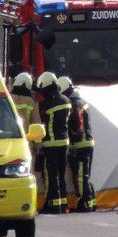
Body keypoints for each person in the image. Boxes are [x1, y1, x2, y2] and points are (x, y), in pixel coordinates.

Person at [58, 75, 97, 212]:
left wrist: (72, 137)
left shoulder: (74, 104)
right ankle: (90, 202)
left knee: (81, 176)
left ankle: (84, 204)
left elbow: (77, 127)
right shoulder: (80, 100)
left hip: (81, 145)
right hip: (86, 143)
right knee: (84, 175)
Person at [35, 71, 71, 214]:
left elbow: (40, 125)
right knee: (62, 175)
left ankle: (52, 205)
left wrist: (38, 145)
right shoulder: (67, 101)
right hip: (65, 143)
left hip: (50, 144)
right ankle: (63, 203)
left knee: (51, 176)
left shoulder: (43, 105)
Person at [11, 72, 45, 189]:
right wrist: (38, 146)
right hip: (26, 145)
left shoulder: (7, 99)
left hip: (8, 145)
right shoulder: (31, 102)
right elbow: (36, 124)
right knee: (26, 175)